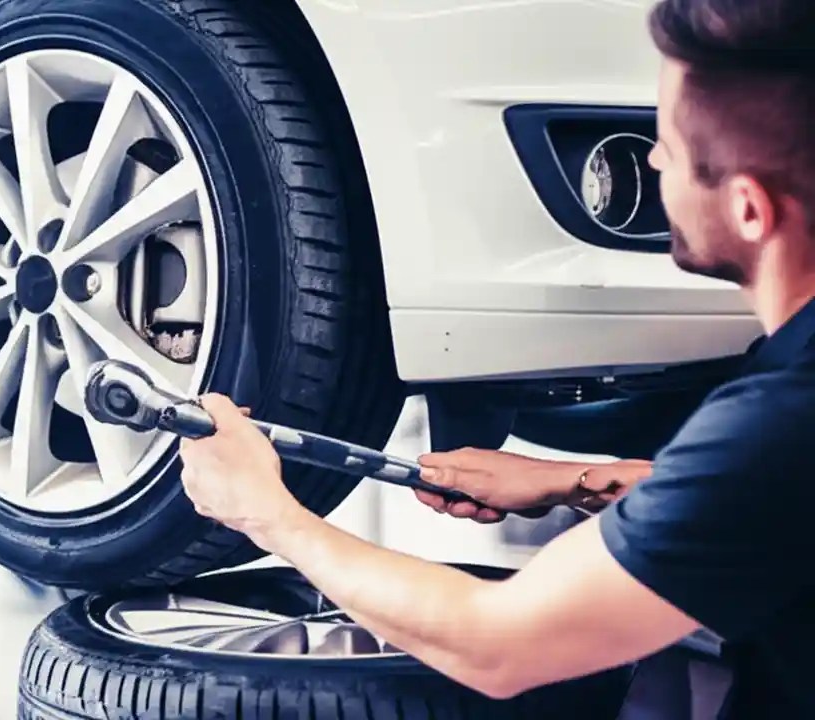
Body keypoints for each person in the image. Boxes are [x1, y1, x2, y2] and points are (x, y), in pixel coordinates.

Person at [177, 0, 815, 716]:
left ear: (750, 209)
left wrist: (266, 513)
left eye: (668, 145)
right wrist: (569, 480)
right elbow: (761, 503)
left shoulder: (783, 416)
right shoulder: (787, 402)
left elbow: (499, 644)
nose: (654, 160)